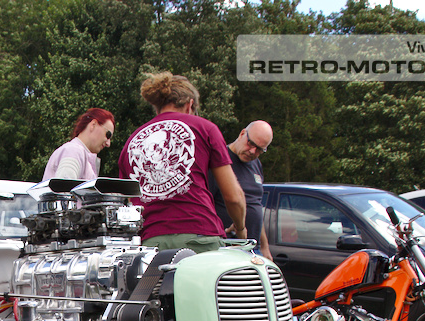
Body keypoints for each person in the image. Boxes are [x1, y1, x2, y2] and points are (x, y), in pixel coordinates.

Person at [118, 72, 246, 253]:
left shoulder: (131, 142)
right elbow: (234, 197)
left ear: (158, 108)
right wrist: (240, 228)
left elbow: (131, 203)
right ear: (190, 105)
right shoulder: (205, 128)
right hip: (199, 234)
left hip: (150, 243)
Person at [211, 120, 273, 259]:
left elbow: (256, 205)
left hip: (253, 250)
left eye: (259, 150)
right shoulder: (220, 160)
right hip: (226, 248)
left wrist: (264, 247)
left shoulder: (256, 164)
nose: (252, 151)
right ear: (242, 133)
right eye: (251, 144)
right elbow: (205, 205)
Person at [42, 108, 116, 181]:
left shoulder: (79, 153)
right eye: (108, 135)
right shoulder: (74, 151)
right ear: (93, 125)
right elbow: (63, 189)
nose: (108, 143)